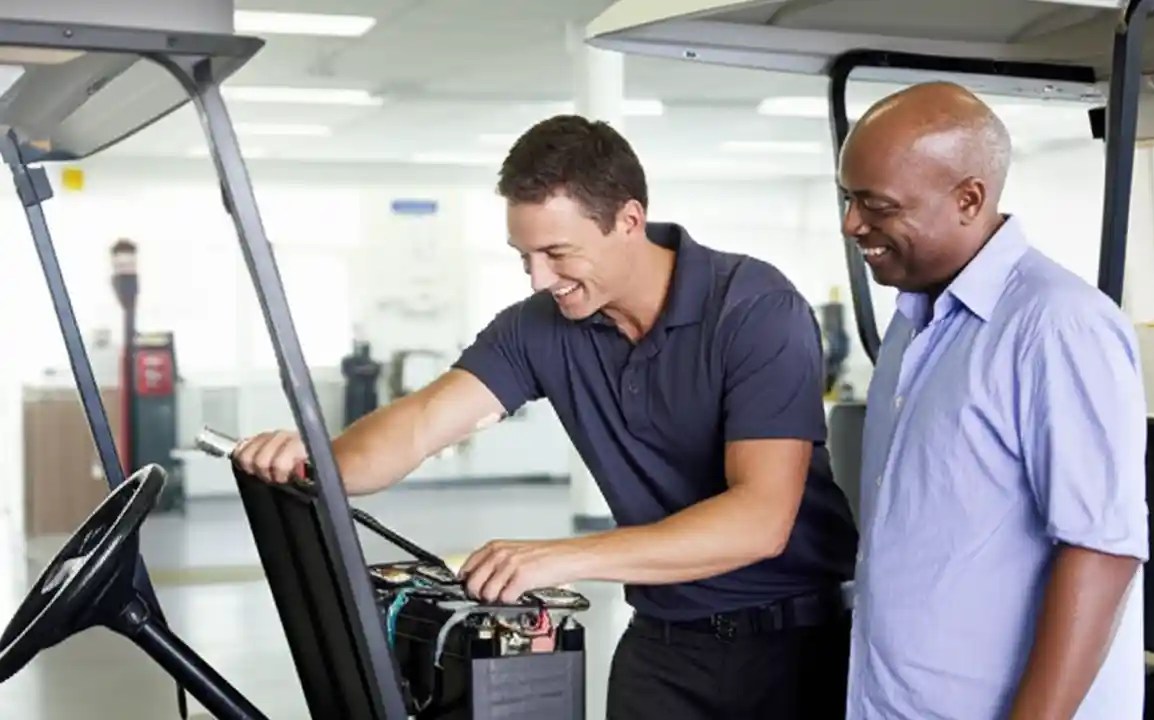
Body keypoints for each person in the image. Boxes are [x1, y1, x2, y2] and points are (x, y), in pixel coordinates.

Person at [232, 114, 858, 719]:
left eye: (557, 253)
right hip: (662, 648)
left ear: (628, 221)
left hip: (793, 647)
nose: (537, 278)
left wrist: (561, 557)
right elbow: (423, 421)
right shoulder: (540, 328)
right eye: (523, 254)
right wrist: (317, 459)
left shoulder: (753, 310)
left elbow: (760, 522)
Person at [837, 81, 1149, 719]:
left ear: (968, 199)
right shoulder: (912, 321)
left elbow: (1102, 550)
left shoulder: (1057, 324)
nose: (852, 224)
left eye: (877, 205)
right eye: (848, 200)